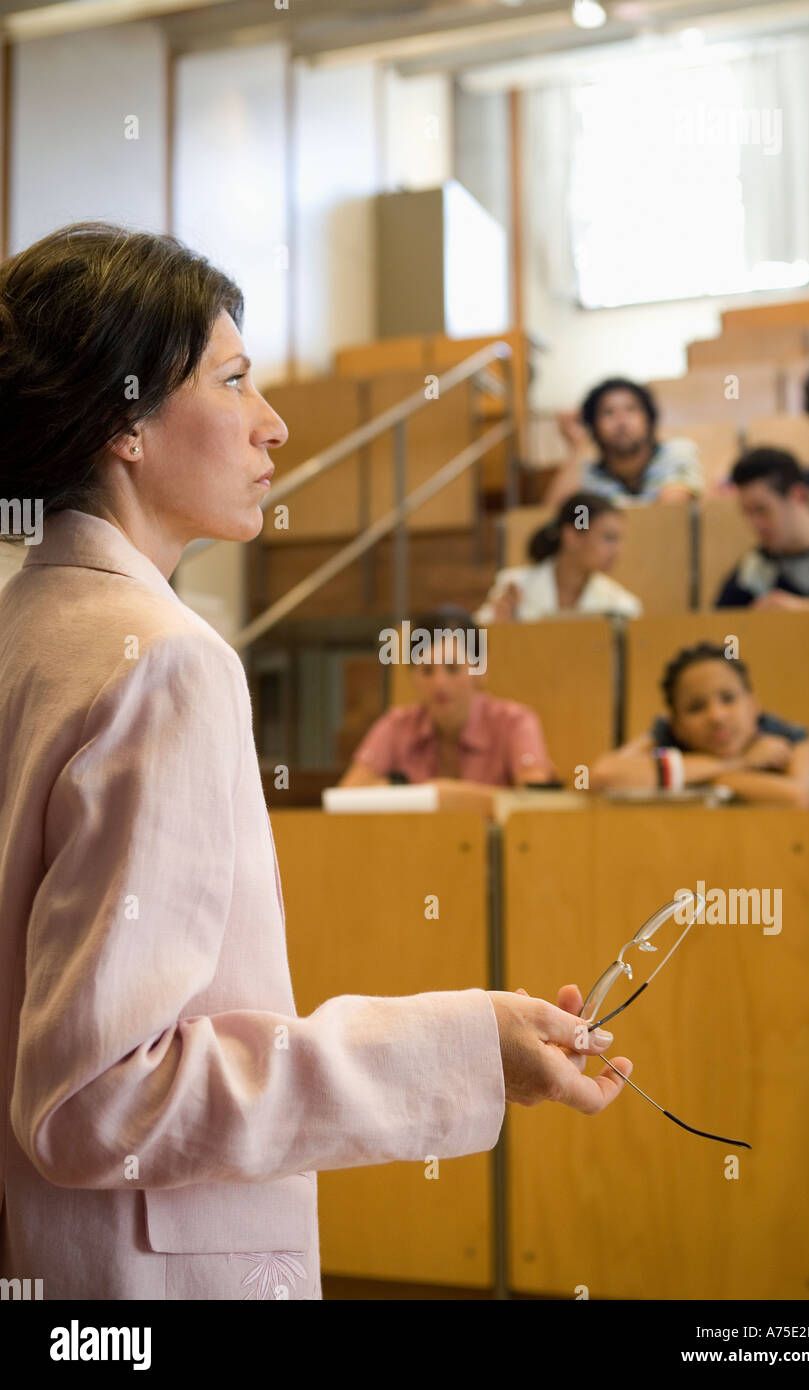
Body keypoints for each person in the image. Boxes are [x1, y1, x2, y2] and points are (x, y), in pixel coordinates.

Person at [0, 224, 630, 1302]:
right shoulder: (164, 663)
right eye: (235, 381)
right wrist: (461, 1047)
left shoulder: (27, 627)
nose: (274, 425)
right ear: (125, 422)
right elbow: (96, 1098)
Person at [340, 606, 558, 789]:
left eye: (452, 669)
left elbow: (534, 799)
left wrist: (436, 795)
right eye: (426, 671)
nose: (439, 683)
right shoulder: (396, 725)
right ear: (412, 676)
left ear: (480, 670)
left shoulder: (515, 722)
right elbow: (347, 796)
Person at [589, 642, 809, 809]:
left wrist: (690, 777)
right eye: (696, 707)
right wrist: (737, 764)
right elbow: (602, 776)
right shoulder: (666, 735)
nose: (716, 716)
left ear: (754, 704)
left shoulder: (786, 737)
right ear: (677, 724)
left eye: (728, 698)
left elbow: (799, 798)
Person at [715, 447, 809, 609]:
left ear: (797, 495)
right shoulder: (750, 573)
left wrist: (801, 612)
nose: (754, 525)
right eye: (748, 513)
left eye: (761, 510)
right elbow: (717, 631)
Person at [476, 491, 642, 624]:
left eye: (619, 540)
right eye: (608, 538)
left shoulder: (620, 605)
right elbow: (475, 643)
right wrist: (499, 625)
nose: (617, 550)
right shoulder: (514, 587)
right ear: (572, 536)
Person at [545, 377, 703, 507]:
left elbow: (668, 515)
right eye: (608, 413)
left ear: (649, 419)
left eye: (631, 409)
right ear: (594, 427)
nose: (621, 421)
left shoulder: (676, 453)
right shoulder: (590, 476)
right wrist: (578, 446)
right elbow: (550, 519)